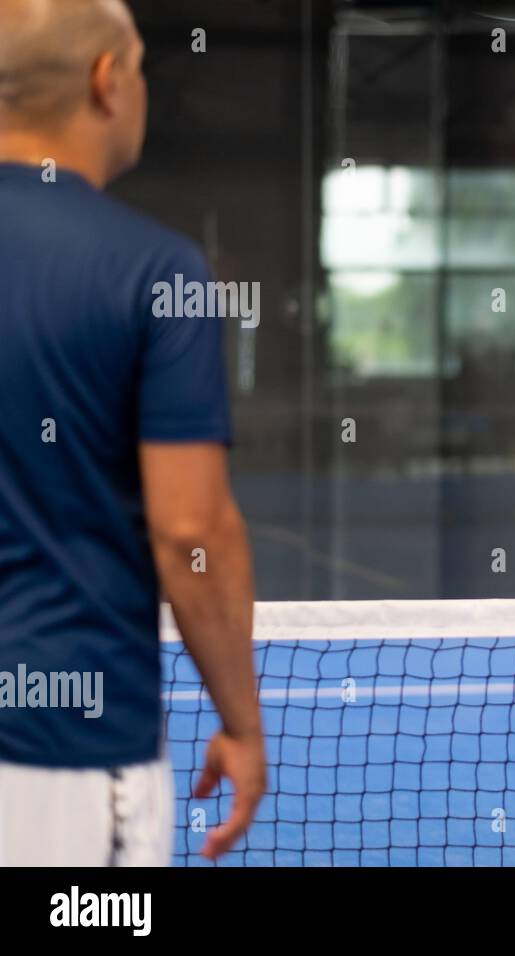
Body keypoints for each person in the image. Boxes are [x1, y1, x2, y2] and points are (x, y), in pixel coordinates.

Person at [0, 0, 263, 865]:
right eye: (142, 66)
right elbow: (191, 531)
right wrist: (240, 722)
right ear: (107, 80)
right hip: (66, 759)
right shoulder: (156, 272)